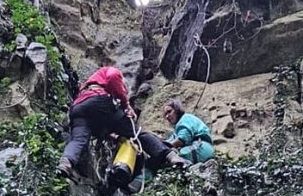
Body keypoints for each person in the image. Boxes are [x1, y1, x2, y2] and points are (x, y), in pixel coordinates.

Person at [58, 66, 187, 182]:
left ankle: (66, 162)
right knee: (136, 133)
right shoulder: (110, 72)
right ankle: (171, 156)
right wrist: (126, 106)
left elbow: (104, 125)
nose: (122, 94)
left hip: (78, 109)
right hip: (99, 101)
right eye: (123, 90)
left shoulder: (88, 85)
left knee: (78, 140)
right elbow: (113, 77)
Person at [162, 99, 215, 164]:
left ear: (177, 110)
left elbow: (182, 139)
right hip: (200, 149)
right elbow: (168, 142)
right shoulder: (176, 130)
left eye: (169, 111)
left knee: (171, 160)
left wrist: (164, 150)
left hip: (200, 148)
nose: (167, 116)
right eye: (165, 114)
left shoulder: (185, 119)